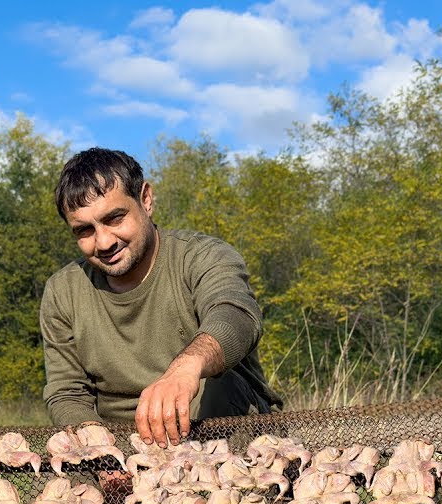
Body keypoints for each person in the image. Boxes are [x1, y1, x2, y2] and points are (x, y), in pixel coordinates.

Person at [40, 147, 281, 448]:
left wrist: (186, 368)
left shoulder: (204, 256)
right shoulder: (62, 291)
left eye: (115, 218)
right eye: (84, 230)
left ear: (146, 199)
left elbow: (236, 315)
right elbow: (67, 392)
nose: (103, 242)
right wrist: (97, 446)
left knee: (224, 386)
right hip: (121, 447)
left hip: (217, 428)